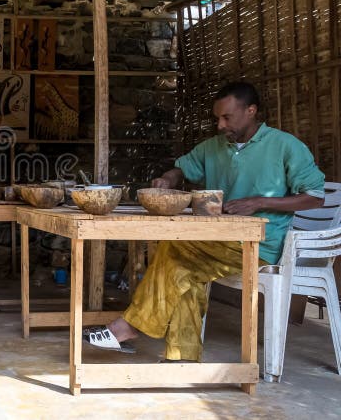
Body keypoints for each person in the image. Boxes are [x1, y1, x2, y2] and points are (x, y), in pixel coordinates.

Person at [84, 81, 326, 361]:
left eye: (227, 117)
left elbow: (315, 197)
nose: (220, 125)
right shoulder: (213, 147)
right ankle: (182, 358)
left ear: (251, 111)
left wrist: (260, 202)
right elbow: (181, 169)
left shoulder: (285, 146)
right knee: (182, 267)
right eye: (217, 118)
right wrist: (168, 179)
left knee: (176, 251)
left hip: (259, 246)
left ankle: (130, 326)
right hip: (214, 243)